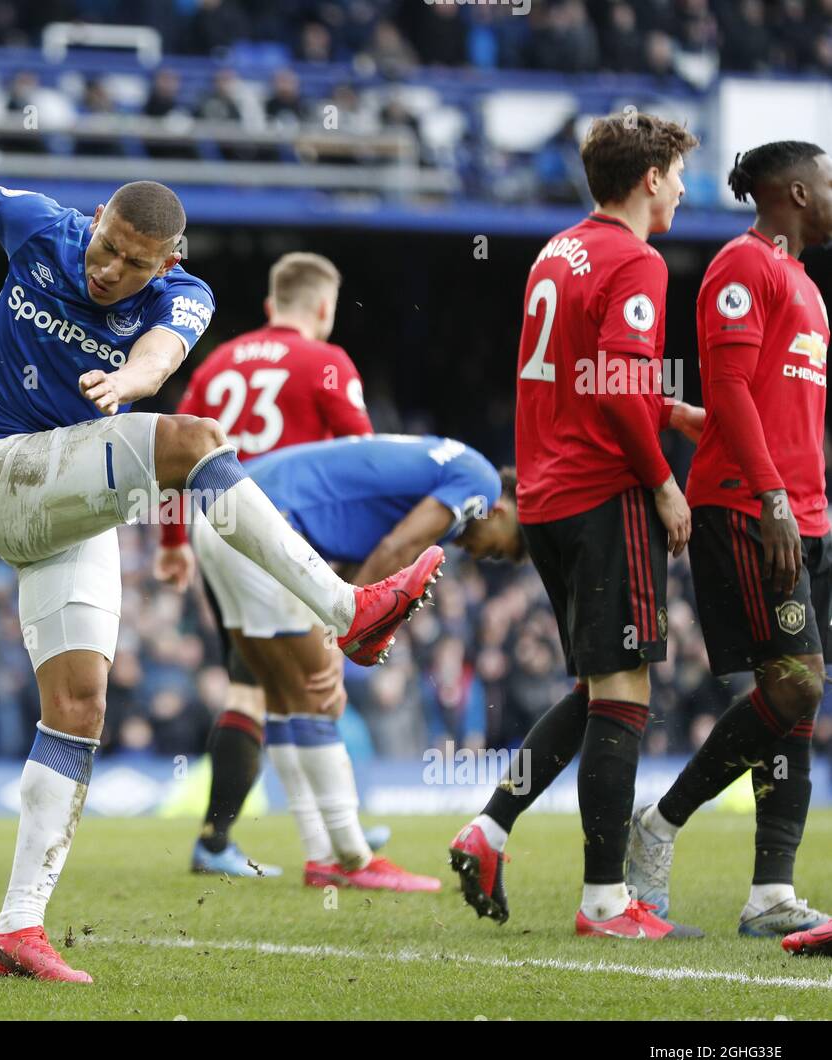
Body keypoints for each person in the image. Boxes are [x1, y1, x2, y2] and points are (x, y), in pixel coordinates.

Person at [0, 133, 446, 984]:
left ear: (167, 261)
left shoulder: (184, 298)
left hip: (70, 508)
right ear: (96, 221)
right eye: (106, 245)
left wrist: (130, 380)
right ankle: (350, 611)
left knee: (80, 705)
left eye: (133, 263)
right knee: (197, 440)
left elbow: (163, 356)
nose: (108, 269)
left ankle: (15, 929)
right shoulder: (44, 229)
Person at [448, 112, 707, 940]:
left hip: (550, 496)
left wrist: (667, 408)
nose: (682, 188)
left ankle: (488, 829)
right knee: (627, 691)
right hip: (605, 492)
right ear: (648, 179)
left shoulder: (557, 251)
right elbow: (613, 393)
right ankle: (604, 901)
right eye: (675, 174)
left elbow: (587, 378)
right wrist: (665, 481)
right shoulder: (638, 259)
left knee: (597, 688)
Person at [626, 141, 832, 940]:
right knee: (796, 687)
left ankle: (769, 895)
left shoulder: (806, 286)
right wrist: (774, 495)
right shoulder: (744, 266)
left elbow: (765, 409)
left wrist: (697, 427)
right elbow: (736, 384)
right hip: (752, 509)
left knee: (797, 711)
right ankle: (661, 821)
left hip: (800, 512)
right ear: (795, 193)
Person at [192, 434, 524, 890]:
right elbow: (394, 549)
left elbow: (359, 558)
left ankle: (323, 855)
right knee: (318, 693)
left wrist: (332, 630)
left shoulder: (443, 465)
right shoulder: (480, 482)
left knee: (286, 696)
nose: (482, 554)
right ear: (502, 512)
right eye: (497, 549)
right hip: (264, 526)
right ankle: (351, 858)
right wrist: (339, 638)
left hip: (222, 517)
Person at [153, 251, 375, 878]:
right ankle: (232, 841)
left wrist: (172, 542)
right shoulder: (326, 361)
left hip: (210, 531)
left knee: (265, 680)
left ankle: (330, 826)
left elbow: (175, 450)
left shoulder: (219, 360)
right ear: (324, 307)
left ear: (270, 305)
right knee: (273, 684)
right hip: (277, 534)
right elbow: (364, 456)